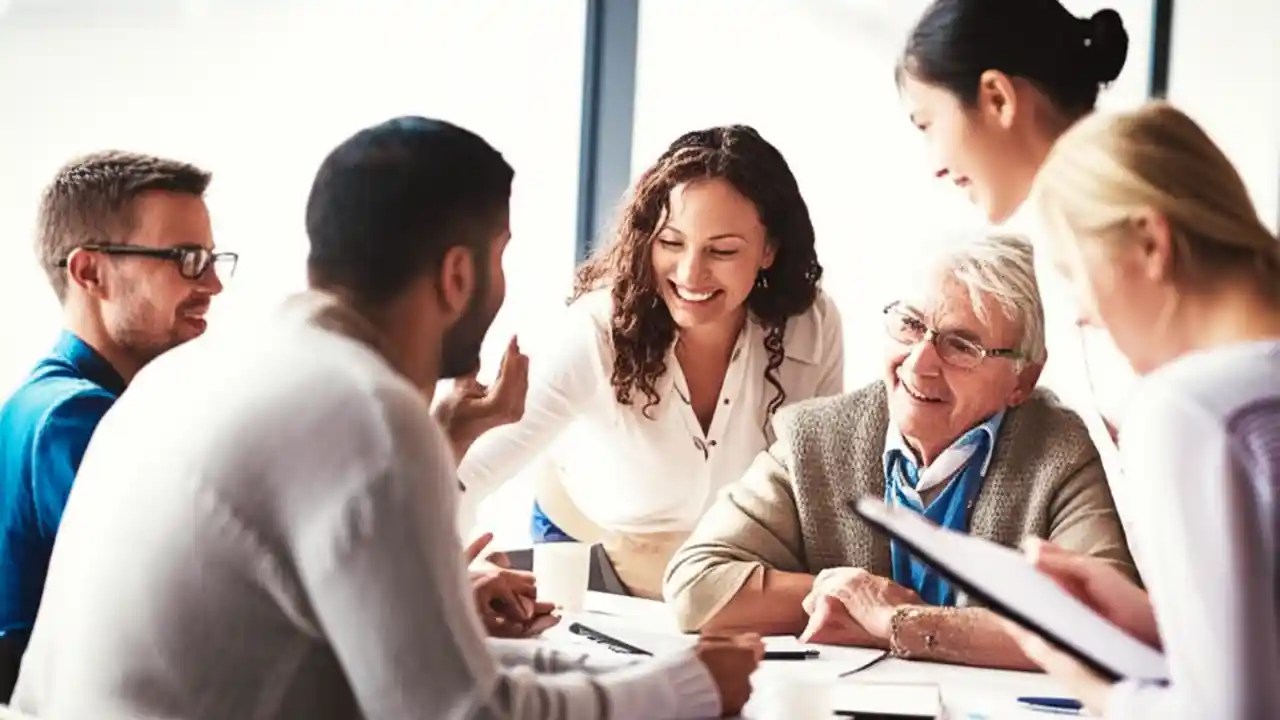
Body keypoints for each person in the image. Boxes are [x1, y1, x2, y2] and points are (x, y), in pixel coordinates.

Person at [11, 117, 763, 720]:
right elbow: (459, 711)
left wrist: (612, 668)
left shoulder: (185, 375)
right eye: (501, 256)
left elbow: (410, 670)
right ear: (458, 273)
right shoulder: (364, 412)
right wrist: (690, 686)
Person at [664, 233, 1136, 670]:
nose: (919, 363)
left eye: (962, 346)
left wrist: (901, 623)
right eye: (911, 325)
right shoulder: (816, 438)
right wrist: (849, 594)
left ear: (1023, 380)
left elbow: (1104, 625)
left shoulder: (1058, 452)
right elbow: (695, 586)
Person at [458, 125, 843, 598]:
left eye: (722, 250)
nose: (691, 273)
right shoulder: (595, 331)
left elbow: (819, 486)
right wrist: (443, 574)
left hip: (724, 567)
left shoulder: (811, 325)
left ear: (769, 250)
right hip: (588, 552)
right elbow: (468, 472)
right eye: (671, 243)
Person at [1001, 102, 1280, 717]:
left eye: (1075, 273)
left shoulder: (1189, 412)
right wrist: (1158, 622)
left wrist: (1096, 688)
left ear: (1151, 242)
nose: (1080, 313)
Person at [895, 0, 1145, 561]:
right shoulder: (1055, 254)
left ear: (997, 98)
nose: (934, 164)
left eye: (928, 124)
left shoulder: (1134, 239)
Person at [0, 151, 232, 698]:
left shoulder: (46, 402)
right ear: (89, 272)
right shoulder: (73, 418)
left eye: (212, 258)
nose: (213, 284)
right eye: (186, 258)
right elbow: (194, 609)